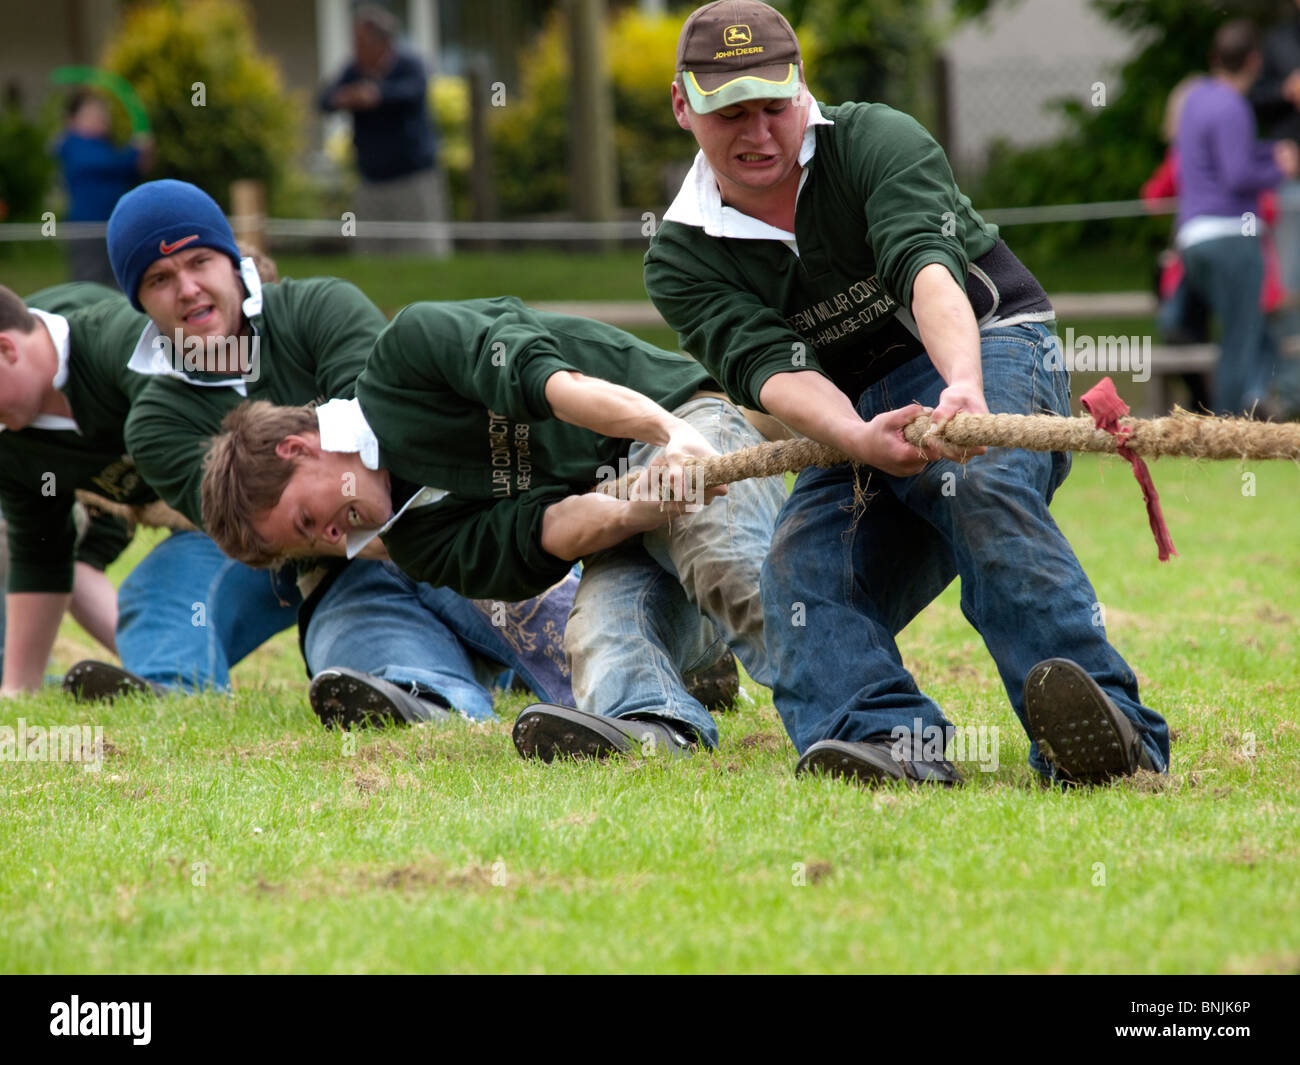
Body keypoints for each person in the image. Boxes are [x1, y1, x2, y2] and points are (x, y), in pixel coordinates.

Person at [643, 0, 1170, 787]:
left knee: (976, 479)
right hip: (851, 408)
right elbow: (772, 369)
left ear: (801, 89)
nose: (757, 133)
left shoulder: (876, 140)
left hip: (984, 344)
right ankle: (884, 738)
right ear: (684, 107)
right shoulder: (680, 258)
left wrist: (963, 386)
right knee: (798, 576)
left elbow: (926, 267)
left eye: (771, 107)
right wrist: (857, 441)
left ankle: (1113, 735)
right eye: (729, 113)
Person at [198, 297, 787, 760]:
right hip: (626, 527)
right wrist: (640, 510)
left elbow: (552, 383)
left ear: (298, 448)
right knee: (601, 638)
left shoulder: (408, 351)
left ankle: (856, 717)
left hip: (687, 419)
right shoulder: (418, 545)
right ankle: (660, 737)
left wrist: (669, 436)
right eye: (308, 544)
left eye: (306, 519)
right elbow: (549, 531)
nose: (330, 539)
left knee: (723, 563)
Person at [109, 181, 575, 727]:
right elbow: (255, 535)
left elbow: (389, 441)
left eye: (200, 261)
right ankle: (432, 702)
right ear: (138, 302)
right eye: (158, 279)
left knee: (559, 625)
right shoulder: (156, 425)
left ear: (233, 261)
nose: (187, 289)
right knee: (371, 670)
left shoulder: (319, 308)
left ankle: (669, 669)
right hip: (333, 574)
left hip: (448, 520)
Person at [1178, 20, 1298, 416]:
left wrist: (1269, 153)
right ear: (1254, 61)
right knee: (1240, 342)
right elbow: (1237, 175)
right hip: (1231, 235)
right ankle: (1227, 430)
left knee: (1242, 335)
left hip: (1193, 237)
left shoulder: (1195, 99)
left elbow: (1224, 156)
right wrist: (1280, 169)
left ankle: (1249, 409)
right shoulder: (1234, 106)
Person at [319, 4, 448, 257]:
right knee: (371, 255)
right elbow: (323, 101)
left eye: (360, 42)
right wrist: (346, 97)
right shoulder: (353, 71)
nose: (354, 48)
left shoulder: (409, 64)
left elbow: (413, 92)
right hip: (370, 180)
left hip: (412, 179)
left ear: (381, 43)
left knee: (422, 254)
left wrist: (377, 95)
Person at [53, 90, 152, 286]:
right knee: (89, 280)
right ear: (72, 120)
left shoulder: (105, 146)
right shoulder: (73, 144)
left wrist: (141, 156)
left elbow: (129, 171)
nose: (100, 118)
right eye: (91, 113)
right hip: (87, 228)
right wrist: (134, 151)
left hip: (114, 225)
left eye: (102, 113)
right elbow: (107, 164)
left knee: (117, 279)